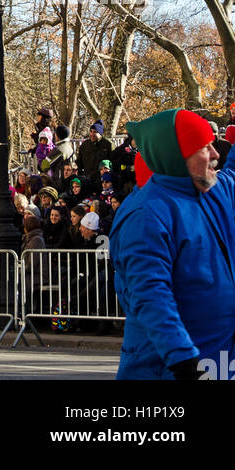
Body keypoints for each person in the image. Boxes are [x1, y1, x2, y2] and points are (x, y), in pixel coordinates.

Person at [110, 108, 235, 379]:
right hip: (170, 369)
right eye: (205, 147)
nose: (215, 154)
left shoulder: (214, 189)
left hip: (220, 361)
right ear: (177, 157)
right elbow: (150, 294)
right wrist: (182, 359)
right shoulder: (147, 214)